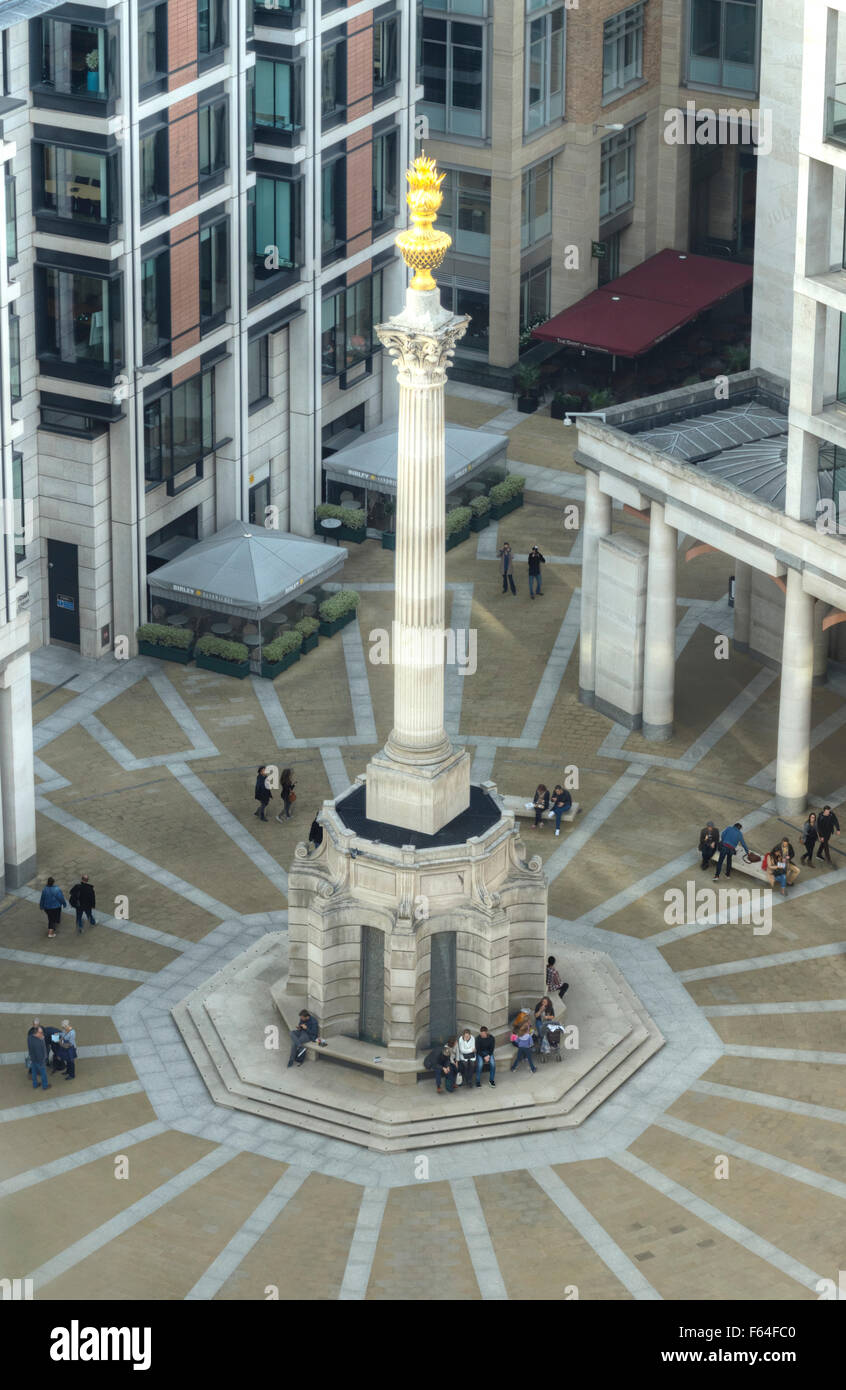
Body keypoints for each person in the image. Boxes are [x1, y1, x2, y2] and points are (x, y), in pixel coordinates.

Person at [27, 1027, 50, 1091]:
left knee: (34, 1072)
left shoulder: (29, 1037)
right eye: (41, 1032)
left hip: (32, 1058)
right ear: (36, 1033)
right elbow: (40, 1053)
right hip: (40, 1061)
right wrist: (42, 1040)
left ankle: (35, 1084)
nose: (42, 1034)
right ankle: (45, 1086)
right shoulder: (39, 1042)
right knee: (43, 1074)